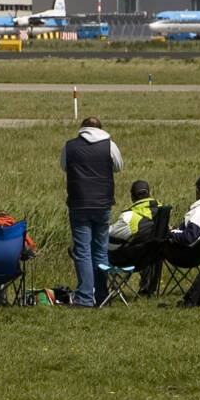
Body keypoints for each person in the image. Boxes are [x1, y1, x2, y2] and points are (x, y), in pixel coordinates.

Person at [59, 116, 123, 308]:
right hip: (103, 204)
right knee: (100, 250)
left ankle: (85, 297)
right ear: (101, 128)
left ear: (82, 128)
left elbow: (64, 166)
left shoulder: (70, 146)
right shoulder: (110, 145)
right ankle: (102, 294)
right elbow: (119, 167)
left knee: (82, 251)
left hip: (78, 203)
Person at [168, 175, 200, 246]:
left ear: (197, 190)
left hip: (187, 252)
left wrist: (169, 232)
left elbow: (189, 238)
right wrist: (174, 229)